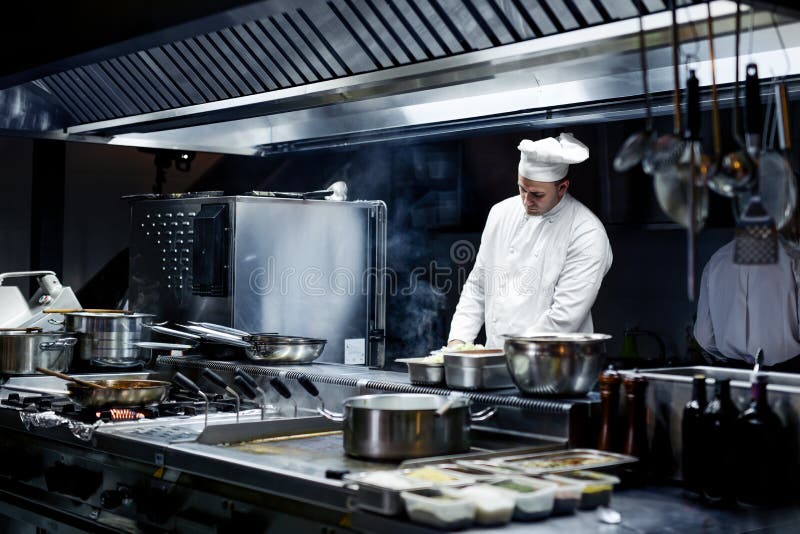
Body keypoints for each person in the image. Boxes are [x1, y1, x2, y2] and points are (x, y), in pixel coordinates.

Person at [447, 133, 613, 349]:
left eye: (536, 194)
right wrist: (457, 343)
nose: (526, 201)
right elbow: (479, 286)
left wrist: (512, 356)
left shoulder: (586, 233)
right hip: (497, 363)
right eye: (521, 189)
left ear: (562, 188)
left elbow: (563, 318)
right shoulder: (500, 213)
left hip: (552, 367)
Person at [694, 215, 800, 371]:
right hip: (788, 374)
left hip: (734, 374)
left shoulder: (716, 261)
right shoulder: (794, 258)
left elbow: (703, 336)